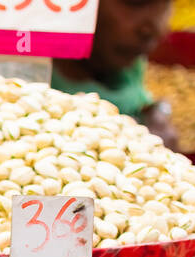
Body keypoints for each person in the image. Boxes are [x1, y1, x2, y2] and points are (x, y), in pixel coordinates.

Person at [52, 0, 178, 149]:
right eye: (135, 3)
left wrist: (156, 113)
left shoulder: (126, 60)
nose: (156, 28)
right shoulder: (30, 80)